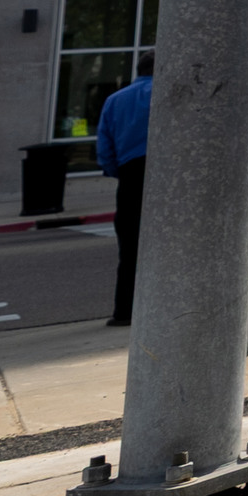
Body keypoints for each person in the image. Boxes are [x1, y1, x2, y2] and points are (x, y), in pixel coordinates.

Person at [92, 66, 154, 327]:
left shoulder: (115, 100)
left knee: (130, 248)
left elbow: (104, 147)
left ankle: (124, 311)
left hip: (130, 174)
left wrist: (118, 171)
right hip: (167, 171)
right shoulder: (170, 92)